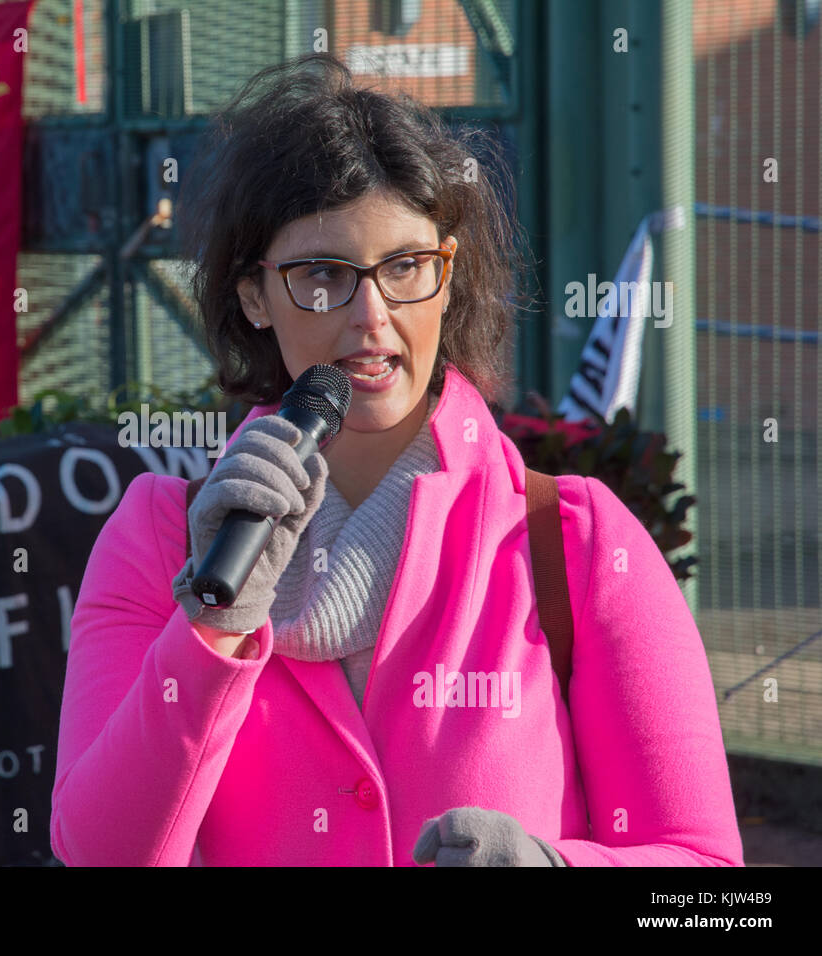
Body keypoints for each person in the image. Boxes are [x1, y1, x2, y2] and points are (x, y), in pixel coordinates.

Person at [49, 53, 743, 867]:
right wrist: (214, 622)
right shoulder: (163, 539)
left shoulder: (576, 541)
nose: (370, 317)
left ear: (448, 277)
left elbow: (710, 889)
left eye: (405, 268)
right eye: (321, 275)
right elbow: (100, 853)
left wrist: (554, 867)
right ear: (251, 296)